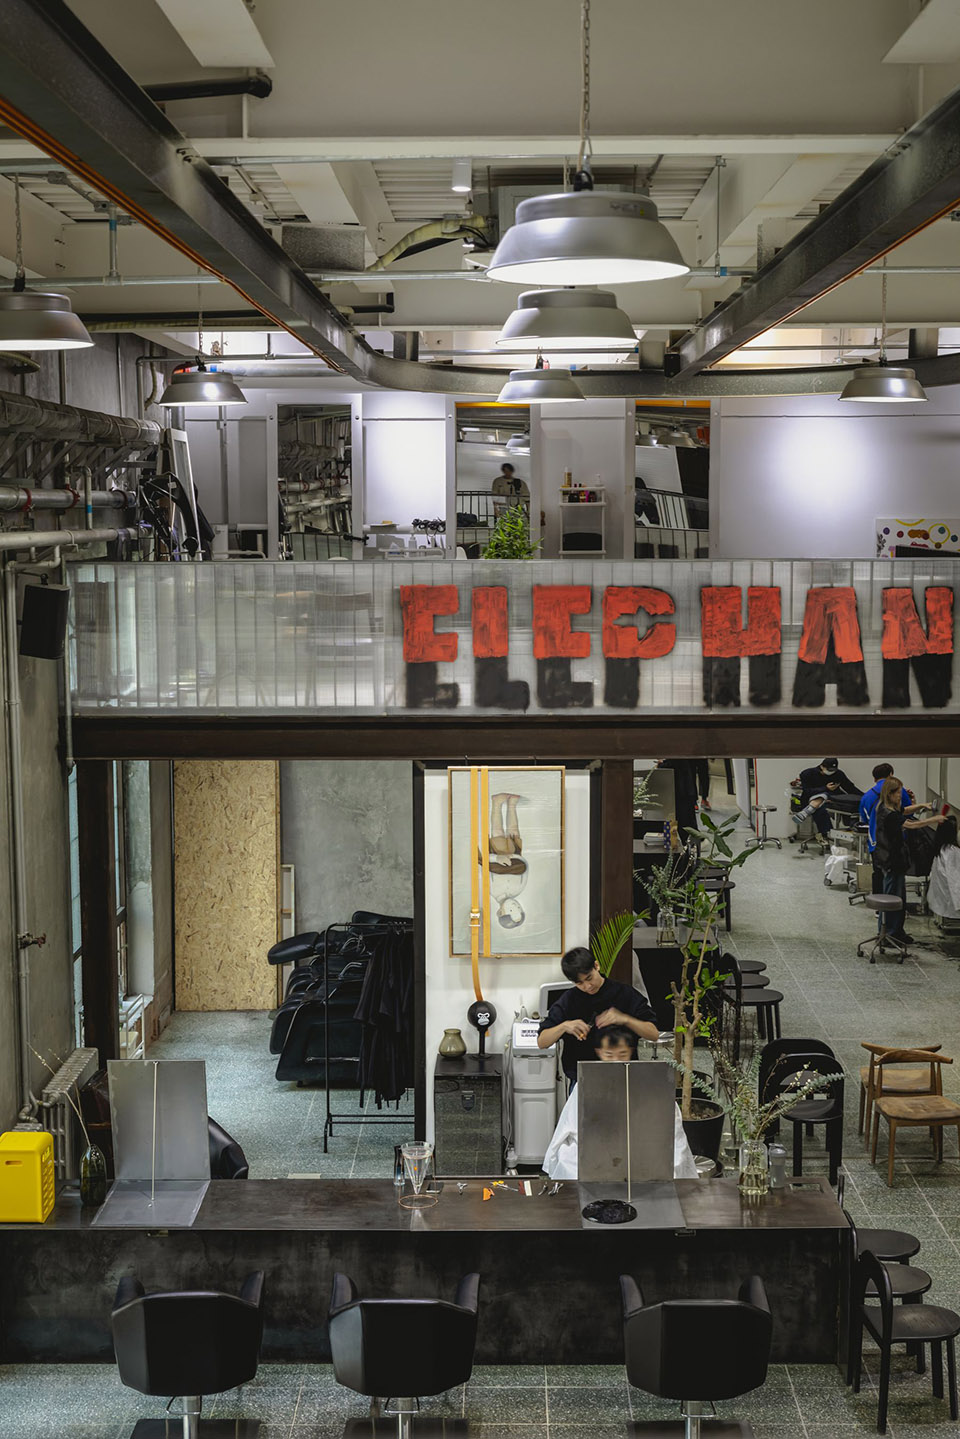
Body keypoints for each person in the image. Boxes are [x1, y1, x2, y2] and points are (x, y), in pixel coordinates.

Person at [541, 1024, 698, 1180]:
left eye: (622, 1054)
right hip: (596, 1149)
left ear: (630, 1051)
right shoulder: (586, 1084)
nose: (616, 1061)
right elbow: (570, 1127)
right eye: (609, 1055)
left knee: (667, 1162)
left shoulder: (651, 1085)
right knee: (569, 1160)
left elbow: (669, 1125)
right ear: (600, 1053)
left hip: (645, 1148)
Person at [537, 947, 659, 1087]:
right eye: (580, 983)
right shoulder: (568, 1001)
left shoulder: (625, 994)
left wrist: (625, 1019)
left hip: (625, 1077)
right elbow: (542, 1042)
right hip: (583, 1081)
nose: (588, 986)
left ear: (596, 966)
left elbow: (653, 1033)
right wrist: (564, 1026)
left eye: (589, 978)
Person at [874, 776, 945, 942]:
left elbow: (904, 811)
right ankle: (887, 935)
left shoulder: (889, 808)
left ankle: (897, 931)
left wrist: (922, 806)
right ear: (889, 794)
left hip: (896, 859)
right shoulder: (888, 814)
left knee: (900, 898)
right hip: (891, 860)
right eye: (897, 792)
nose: (900, 795)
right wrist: (934, 819)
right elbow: (910, 824)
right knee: (891, 899)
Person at [859, 763, 920, 892]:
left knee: (878, 872)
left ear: (874, 778)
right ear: (891, 775)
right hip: (893, 842)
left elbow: (864, 820)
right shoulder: (900, 791)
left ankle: (878, 904)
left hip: (875, 841)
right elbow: (908, 814)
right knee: (895, 877)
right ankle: (894, 906)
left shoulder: (866, 796)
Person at [484, 792, 527, 930]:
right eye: (518, 909)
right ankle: (512, 806)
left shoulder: (491, 890)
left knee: (497, 830)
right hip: (516, 856)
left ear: (500, 912)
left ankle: (496, 804)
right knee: (514, 830)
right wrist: (519, 859)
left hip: (498, 854)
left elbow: (483, 866)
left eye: (512, 911)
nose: (515, 906)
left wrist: (496, 858)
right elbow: (525, 872)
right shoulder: (519, 889)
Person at [792, 758, 862, 840]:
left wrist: (865, 796)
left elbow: (850, 788)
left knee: (852, 804)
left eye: (833, 770)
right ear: (822, 766)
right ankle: (827, 834)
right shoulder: (808, 773)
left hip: (832, 799)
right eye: (829, 769)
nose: (831, 772)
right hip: (811, 798)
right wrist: (826, 788)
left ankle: (808, 811)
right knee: (823, 806)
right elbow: (807, 791)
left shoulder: (838, 774)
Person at [928, 814, 960, 921]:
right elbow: (955, 881)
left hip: (940, 899)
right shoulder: (952, 852)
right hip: (950, 900)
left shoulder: (939, 849)